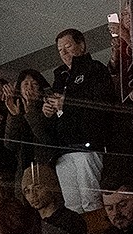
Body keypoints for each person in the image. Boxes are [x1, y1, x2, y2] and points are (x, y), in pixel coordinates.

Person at [45, 28, 115, 213]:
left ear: (81, 45)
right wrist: (48, 111)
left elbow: (101, 103)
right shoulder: (59, 77)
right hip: (64, 149)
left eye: (68, 46)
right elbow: (56, 106)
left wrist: (66, 103)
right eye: (60, 50)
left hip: (87, 146)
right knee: (73, 207)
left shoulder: (95, 69)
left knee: (92, 202)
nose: (64, 53)